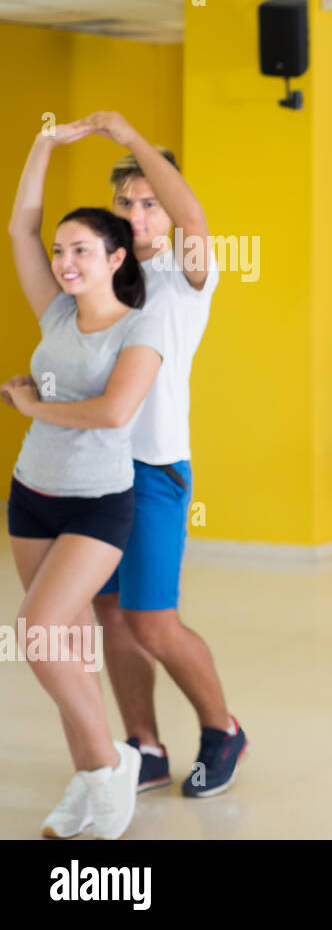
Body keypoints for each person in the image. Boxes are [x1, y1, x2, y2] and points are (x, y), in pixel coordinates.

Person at [55, 112, 246, 800]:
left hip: (154, 470)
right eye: (125, 202)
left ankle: (222, 728)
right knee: (110, 613)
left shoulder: (182, 277)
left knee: (152, 620)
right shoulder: (102, 275)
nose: (137, 214)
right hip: (92, 469)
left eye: (149, 202)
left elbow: (195, 218)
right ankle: (145, 744)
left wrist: (130, 137)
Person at [5, 120, 165, 839]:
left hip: (98, 504)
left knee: (35, 634)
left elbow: (113, 411)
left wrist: (31, 404)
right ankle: (88, 785)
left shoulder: (141, 327)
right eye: (62, 251)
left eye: (81, 251)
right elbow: (20, 230)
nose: (65, 261)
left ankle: (109, 766)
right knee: (67, 646)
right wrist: (45, 144)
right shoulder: (58, 311)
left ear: (115, 256)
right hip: (31, 492)